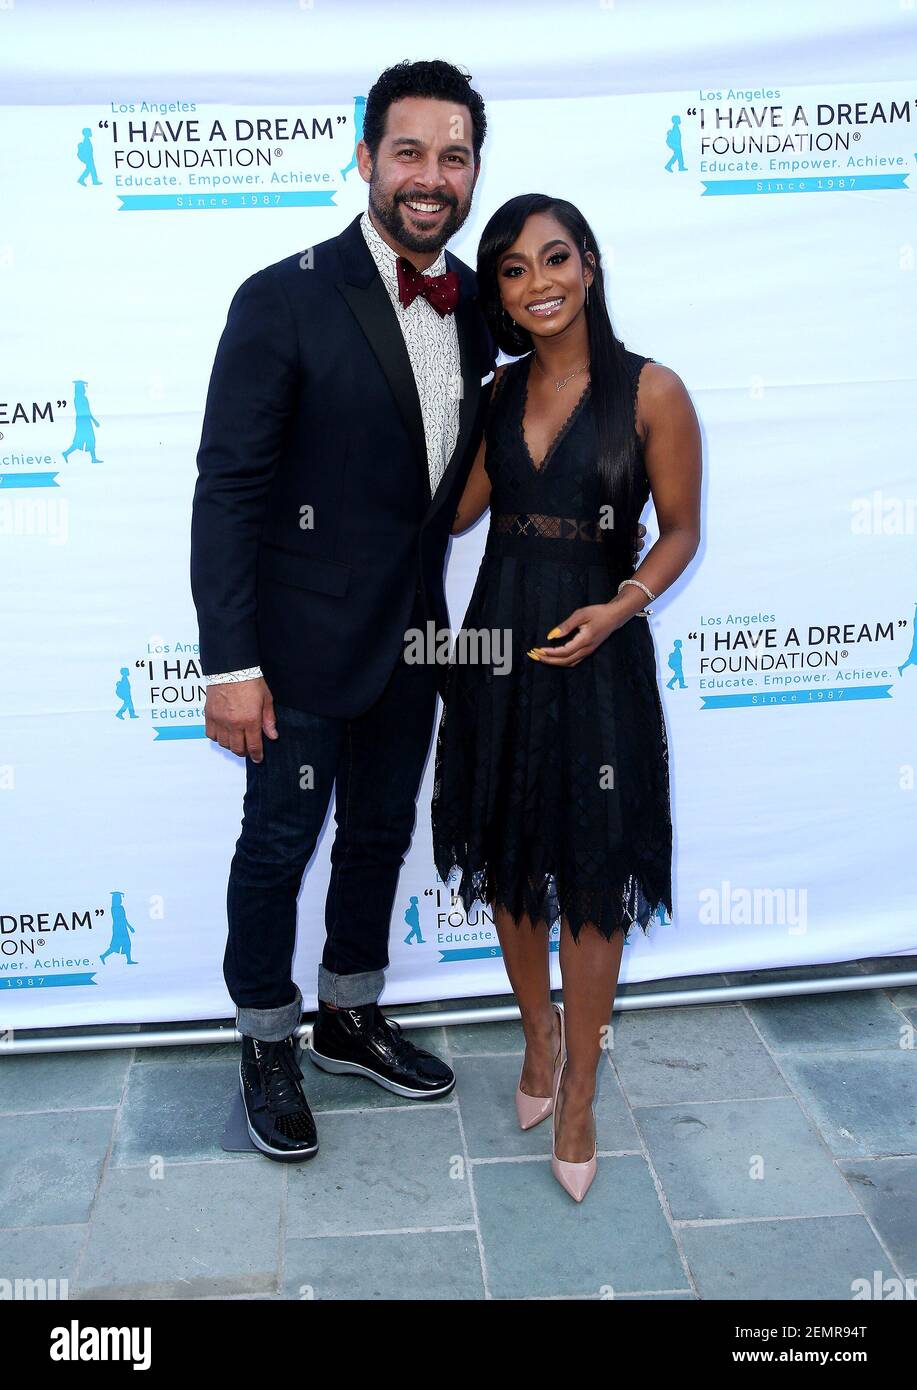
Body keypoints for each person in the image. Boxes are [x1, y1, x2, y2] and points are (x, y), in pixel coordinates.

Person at [190, 60, 497, 1162]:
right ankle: (267, 1035)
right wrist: (230, 664)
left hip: (415, 632)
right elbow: (227, 486)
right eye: (407, 151)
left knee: (376, 834)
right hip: (296, 642)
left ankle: (348, 1013)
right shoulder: (284, 295)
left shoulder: (470, 314)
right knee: (278, 843)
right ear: (365, 158)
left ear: (471, 173)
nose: (429, 176)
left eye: (451, 155)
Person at [431, 194, 702, 1200]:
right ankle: (536, 1035)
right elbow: (449, 514)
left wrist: (622, 604)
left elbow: (677, 528)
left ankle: (580, 1084)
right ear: (498, 291)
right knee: (507, 853)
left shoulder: (651, 391)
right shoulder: (496, 396)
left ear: (588, 266)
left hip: (597, 646)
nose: (537, 282)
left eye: (555, 259)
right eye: (512, 268)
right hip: (497, 641)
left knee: (593, 871)